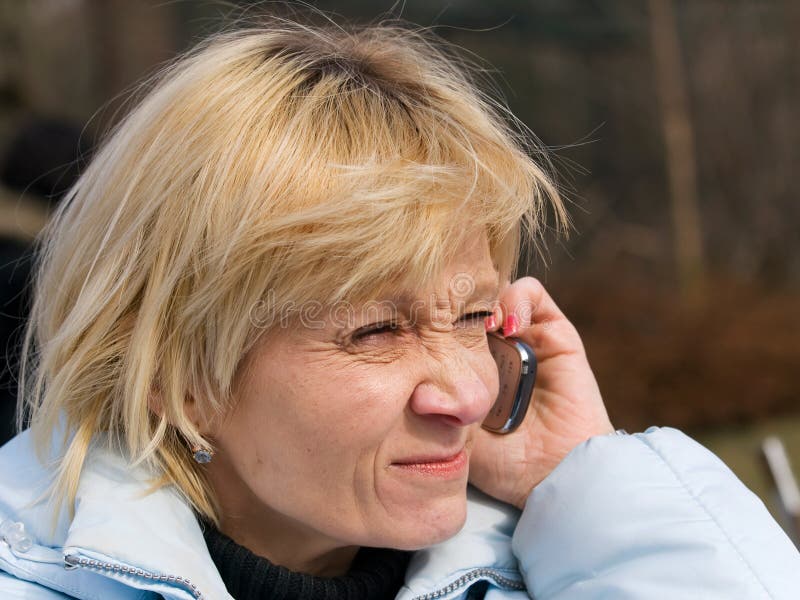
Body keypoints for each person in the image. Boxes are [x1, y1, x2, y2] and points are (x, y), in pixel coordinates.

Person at [0, 18, 798, 600]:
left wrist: (580, 485)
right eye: (376, 329)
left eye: (476, 319)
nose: (469, 394)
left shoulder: (561, 560)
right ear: (174, 376)